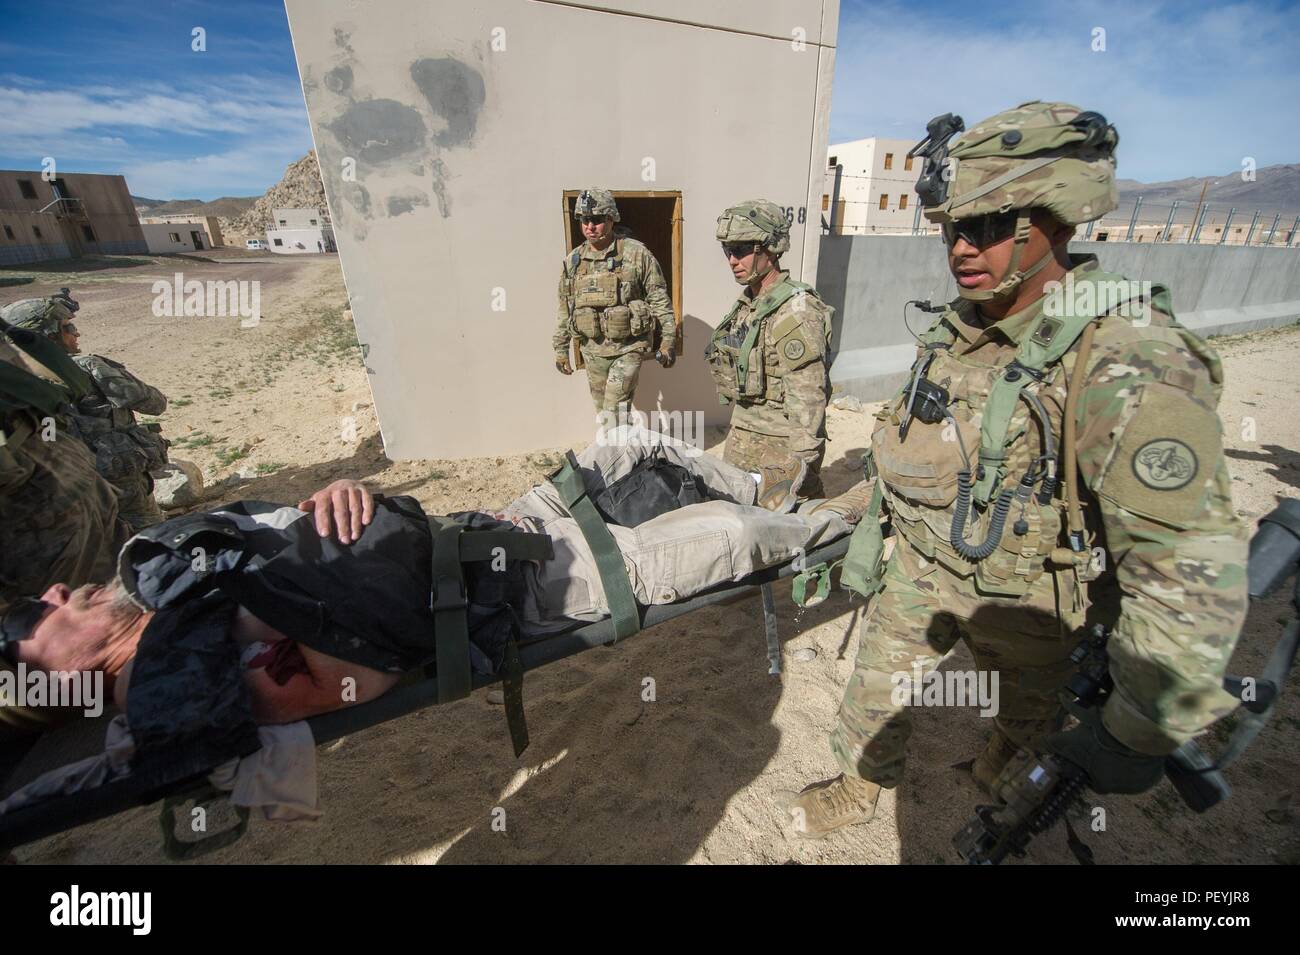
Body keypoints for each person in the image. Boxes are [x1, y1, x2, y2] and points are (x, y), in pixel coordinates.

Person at [786, 102, 1249, 837]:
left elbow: (1186, 573)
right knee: (874, 696)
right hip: (923, 570)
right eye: (951, 230)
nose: (962, 248)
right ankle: (859, 783)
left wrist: (1136, 726)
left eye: (988, 227)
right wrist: (849, 511)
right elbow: (915, 443)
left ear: (1056, 223)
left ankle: (999, 765)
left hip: (1034, 601)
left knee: (1026, 722)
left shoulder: (1125, 356)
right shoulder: (962, 328)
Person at [4, 428, 872, 735]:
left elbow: (302, 536)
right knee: (734, 537)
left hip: (489, 531)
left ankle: (769, 489)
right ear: (59, 675)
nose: (49, 594)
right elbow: (358, 678)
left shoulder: (179, 592)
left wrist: (350, 495)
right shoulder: (184, 676)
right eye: (30, 624)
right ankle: (852, 523)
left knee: (628, 444)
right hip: (542, 589)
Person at [1, 292, 169, 532]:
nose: (76, 333)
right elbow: (154, 404)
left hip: (55, 482)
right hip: (113, 472)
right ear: (47, 335)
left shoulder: (13, 381)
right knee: (150, 537)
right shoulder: (87, 367)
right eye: (68, 327)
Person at [706, 200, 833, 500]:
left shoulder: (795, 309)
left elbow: (808, 392)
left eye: (741, 250)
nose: (732, 260)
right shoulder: (749, 304)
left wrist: (801, 464)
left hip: (781, 446)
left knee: (792, 533)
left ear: (769, 249)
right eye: (728, 251)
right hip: (742, 437)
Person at [553, 188, 676, 417]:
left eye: (597, 220)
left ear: (611, 219)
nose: (590, 226)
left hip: (629, 348)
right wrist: (561, 350)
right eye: (585, 219)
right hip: (593, 350)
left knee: (614, 410)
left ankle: (618, 450)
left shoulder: (636, 253)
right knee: (605, 415)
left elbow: (658, 298)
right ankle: (620, 450)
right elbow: (565, 307)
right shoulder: (573, 261)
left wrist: (668, 340)